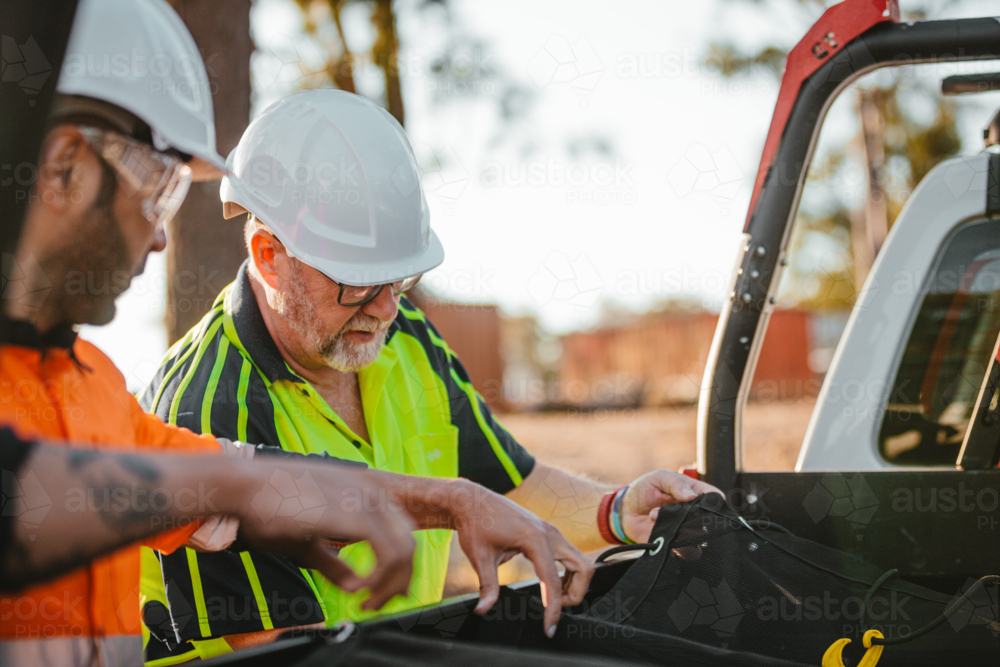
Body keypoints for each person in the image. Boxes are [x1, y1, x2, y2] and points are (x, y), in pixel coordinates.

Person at [0, 1, 592, 664]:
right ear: (61, 168)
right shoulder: (183, 394)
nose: (163, 233)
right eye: (158, 186)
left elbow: (237, 477)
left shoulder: (94, 391)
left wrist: (450, 500)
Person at [141, 88, 720, 662]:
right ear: (269, 255)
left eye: (399, 280)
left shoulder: (402, 333)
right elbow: (284, 657)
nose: (387, 309)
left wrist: (619, 510)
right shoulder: (208, 407)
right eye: (359, 283)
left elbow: (509, 486)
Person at [0, 429, 417, 604]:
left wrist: (450, 498)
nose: (161, 239)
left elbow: (206, 462)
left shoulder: (96, 379)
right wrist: (237, 486)